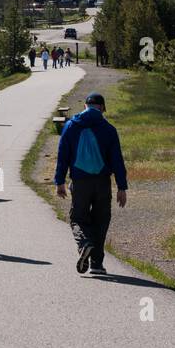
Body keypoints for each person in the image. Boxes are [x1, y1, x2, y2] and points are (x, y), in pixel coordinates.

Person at [55, 91, 128, 274]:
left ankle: (84, 243)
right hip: (102, 182)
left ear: (85, 106)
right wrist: (121, 186)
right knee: (101, 221)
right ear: (102, 108)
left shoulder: (71, 126)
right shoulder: (109, 129)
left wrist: (59, 181)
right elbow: (117, 160)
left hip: (80, 182)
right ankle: (96, 263)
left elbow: (63, 156)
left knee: (77, 218)